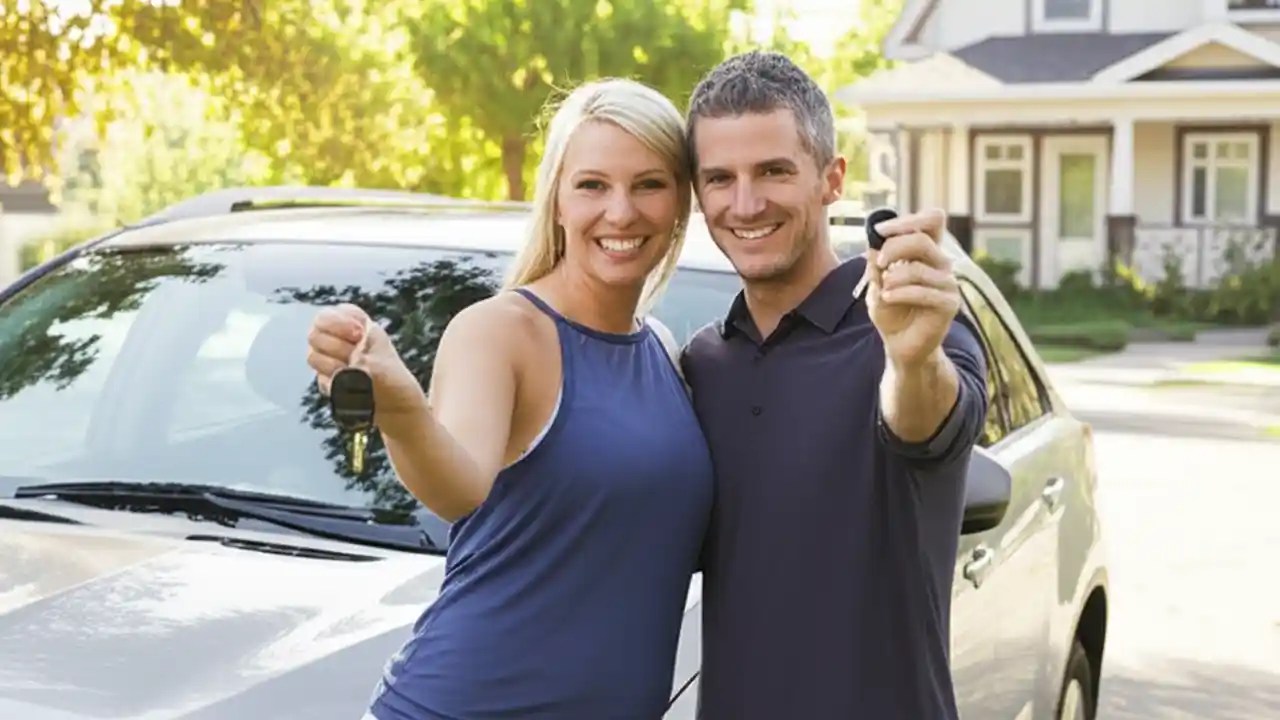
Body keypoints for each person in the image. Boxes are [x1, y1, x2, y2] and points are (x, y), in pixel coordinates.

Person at [305, 78, 714, 719]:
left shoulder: (661, 348)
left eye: (649, 184)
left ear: (681, 202)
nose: (621, 211)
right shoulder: (499, 331)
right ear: (556, 200)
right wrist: (403, 411)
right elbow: (458, 486)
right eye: (592, 185)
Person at [679, 51, 989, 719]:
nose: (746, 202)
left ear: (832, 178)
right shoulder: (700, 365)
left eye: (773, 171)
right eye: (719, 178)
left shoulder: (915, 331)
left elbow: (925, 421)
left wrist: (909, 359)